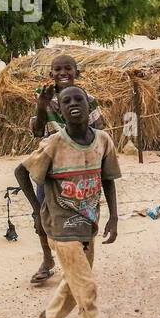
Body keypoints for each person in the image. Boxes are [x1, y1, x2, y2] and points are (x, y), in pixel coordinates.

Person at [14, 85, 120, 318]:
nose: (74, 104)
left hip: (89, 223)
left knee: (76, 282)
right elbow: (21, 171)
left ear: (89, 105)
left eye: (79, 99)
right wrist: (37, 210)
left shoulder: (102, 141)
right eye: (67, 101)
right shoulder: (53, 144)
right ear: (59, 109)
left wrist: (114, 216)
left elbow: (108, 179)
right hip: (60, 226)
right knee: (88, 290)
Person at [27, 53, 106, 286]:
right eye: (57, 69)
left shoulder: (88, 99)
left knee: (83, 212)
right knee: (43, 214)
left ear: (76, 72)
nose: (63, 73)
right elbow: (38, 131)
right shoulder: (43, 97)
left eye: (68, 69)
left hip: (79, 168)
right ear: (50, 74)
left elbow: (99, 131)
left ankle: (78, 263)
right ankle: (47, 259)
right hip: (51, 167)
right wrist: (41, 106)